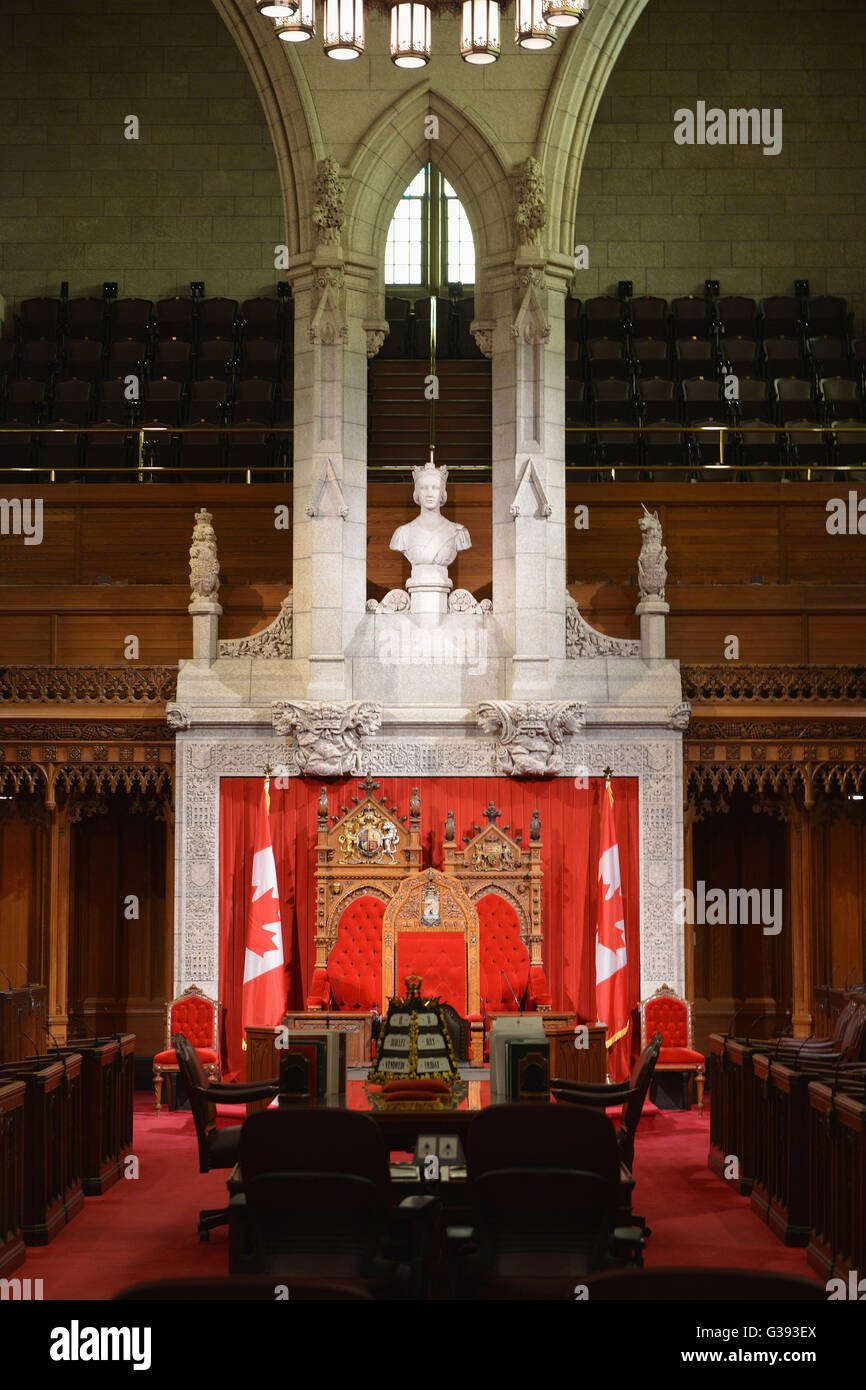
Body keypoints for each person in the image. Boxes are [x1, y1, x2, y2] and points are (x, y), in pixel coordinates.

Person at [389, 458, 471, 571]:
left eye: (435, 488)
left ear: (442, 493)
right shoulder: (403, 533)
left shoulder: (458, 532)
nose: (430, 494)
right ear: (417, 492)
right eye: (424, 488)